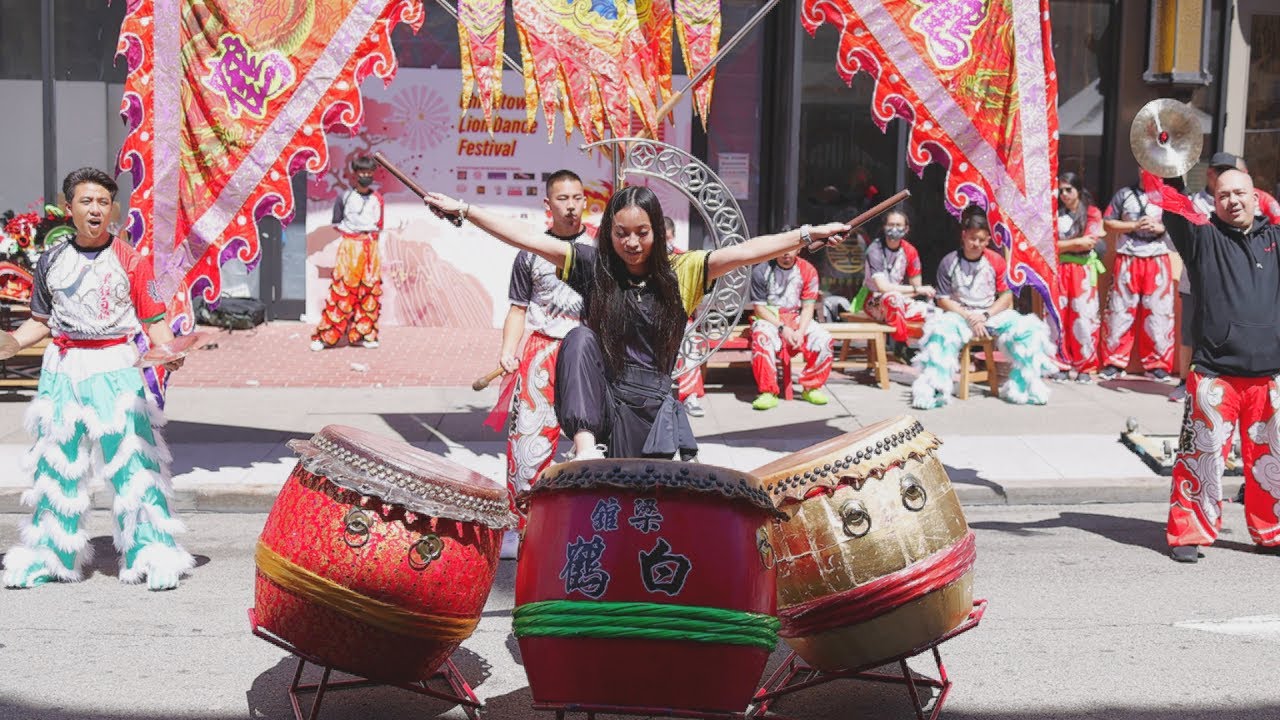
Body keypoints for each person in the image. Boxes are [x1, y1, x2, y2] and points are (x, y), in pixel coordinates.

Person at [422, 185, 848, 461]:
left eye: (641, 232)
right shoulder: (593, 267)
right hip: (602, 400)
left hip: (653, 406)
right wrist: (465, 210)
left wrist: (808, 235)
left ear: (656, 231)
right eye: (621, 232)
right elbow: (526, 238)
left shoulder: (685, 271)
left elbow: (748, 250)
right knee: (579, 338)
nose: (631, 242)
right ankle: (584, 449)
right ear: (608, 233)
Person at [3, 168, 194, 590]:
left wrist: (168, 352)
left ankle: (152, 554)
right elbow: (41, 321)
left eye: (103, 202)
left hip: (114, 367)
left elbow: (154, 321)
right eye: (86, 201)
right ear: (68, 207)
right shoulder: (51, 260)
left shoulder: (131, 260)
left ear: (113, 210)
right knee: (57, 466)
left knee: (134, 464)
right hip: (62, 368)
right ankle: (51, 555)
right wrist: (12, 343)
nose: (95, 209)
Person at [1155, 168, 1280, 562]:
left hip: (1270, 375)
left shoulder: (1275, 238)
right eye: (1223, 195)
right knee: (1200, 459)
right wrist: (1172, 167)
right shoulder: (1202, 236)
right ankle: (1187, 535)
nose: (1232, 201)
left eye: (1240, 193)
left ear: (1256, 198)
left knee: (1273, 462)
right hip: (1214, 374)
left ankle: (1272, 532)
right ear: (1214, 200)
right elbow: (1174, 209)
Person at [486, 170, 591, 557]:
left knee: (592, 444)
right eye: (563, 199)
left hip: (589, 352)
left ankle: (589, 523)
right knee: (527, 444)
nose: (571, 206)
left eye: (577, 198)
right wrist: (508, 349)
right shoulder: (530, 253)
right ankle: (519, 526)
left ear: (585, 201)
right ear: (548, 204)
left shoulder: (601, 247)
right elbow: (518, 309)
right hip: (542, 354)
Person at [910, 211, 1055, 408]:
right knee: (939, 332)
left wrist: (985, 315)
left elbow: (1006, 297)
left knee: (1029, 329)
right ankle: (934, 390)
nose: (976, 244)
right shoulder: (949, 261)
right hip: (960, 315)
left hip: (990, 314)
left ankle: (1026, 388)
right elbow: (942, 300)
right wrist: (969, 316)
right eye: (972, 238)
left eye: (981, 240)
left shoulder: (996, 261)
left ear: (987, 240)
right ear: (964, 236)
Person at [1098, 179, 1177, 383]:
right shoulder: (1124, 194)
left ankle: (1158, 364)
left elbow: (1181, 224)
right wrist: (1134, 225)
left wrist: (1160, 228)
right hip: (1128, 257)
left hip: (1158, 257)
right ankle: (1114, 362)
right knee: (1119, 310)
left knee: (1159, 312)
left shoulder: (1168, 195)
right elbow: (1108, 222)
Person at [748, 242, 834, 411]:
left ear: (799, 249)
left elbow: (808, 307)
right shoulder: (761, 270)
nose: (786, 253)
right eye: (782, 248)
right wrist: (782, 328)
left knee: (824, 339)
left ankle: (812, 386)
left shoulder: (808, 270)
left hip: (796, 317)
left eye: (791, 248)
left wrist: (800, 331)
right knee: (762, 338)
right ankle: (767, 391)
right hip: (769, 318)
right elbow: (759, 308)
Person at [311, 155, 385, 351]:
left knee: (369, 291)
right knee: (342, 291)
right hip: (350, 247)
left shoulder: (377, 199)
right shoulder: (344, 197)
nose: (366, 176)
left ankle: (363, 334)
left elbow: (379, 224)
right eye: (362, 173)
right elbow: (336, 221)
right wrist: (353, 238)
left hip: (370, 247)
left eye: (369, 173)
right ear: (355, 174)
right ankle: (327, 337)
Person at [1054, 172, 1106, 382]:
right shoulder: (1055, 214)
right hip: (1060, 270)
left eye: (1069, 189)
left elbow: (1089, 242)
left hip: (1083, 270)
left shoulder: (1092, 213)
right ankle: (1060, 364)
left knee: (1084, 318)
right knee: (1058, 318)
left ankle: (1085, 366)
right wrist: (1075, 243)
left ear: (1078, 190)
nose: (1064, 194)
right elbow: (1049, 244)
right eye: (1061, 191)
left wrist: (1062, 245)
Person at [861, 208, 936, 350]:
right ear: (884, 227)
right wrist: (916, 289)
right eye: (891, 225)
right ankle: (902, 345)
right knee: (893, 299)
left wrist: (914, 291)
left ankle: (930, 352)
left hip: (900, 300)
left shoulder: (910, 251)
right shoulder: (875, 250)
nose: (894, 229)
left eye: (898, 225)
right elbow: (883, 287)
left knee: (933, 313)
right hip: (874, 301)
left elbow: (916, 287)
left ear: (906, 229)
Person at [666, 217, 707, 418]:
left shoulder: (685, 259)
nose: (664, 242)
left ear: (673, 236)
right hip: (648, 318)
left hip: (679, 318)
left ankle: (690, 395)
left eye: (667, 237)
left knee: (690, 341)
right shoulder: (643, 259)